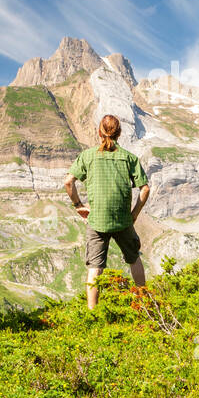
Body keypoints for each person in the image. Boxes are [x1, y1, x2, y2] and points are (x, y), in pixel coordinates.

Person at [63, 114, 151, 309]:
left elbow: (68, 182)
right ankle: (144, 304)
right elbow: (144, 189)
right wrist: (134, 214)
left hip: (97, 220)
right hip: (123, 220)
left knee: (95, 268)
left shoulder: (87, 156)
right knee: (134, 259)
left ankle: (92, 312)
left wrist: (78, 205)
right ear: (119, 133)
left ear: (99, 132)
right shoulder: (129, 158)